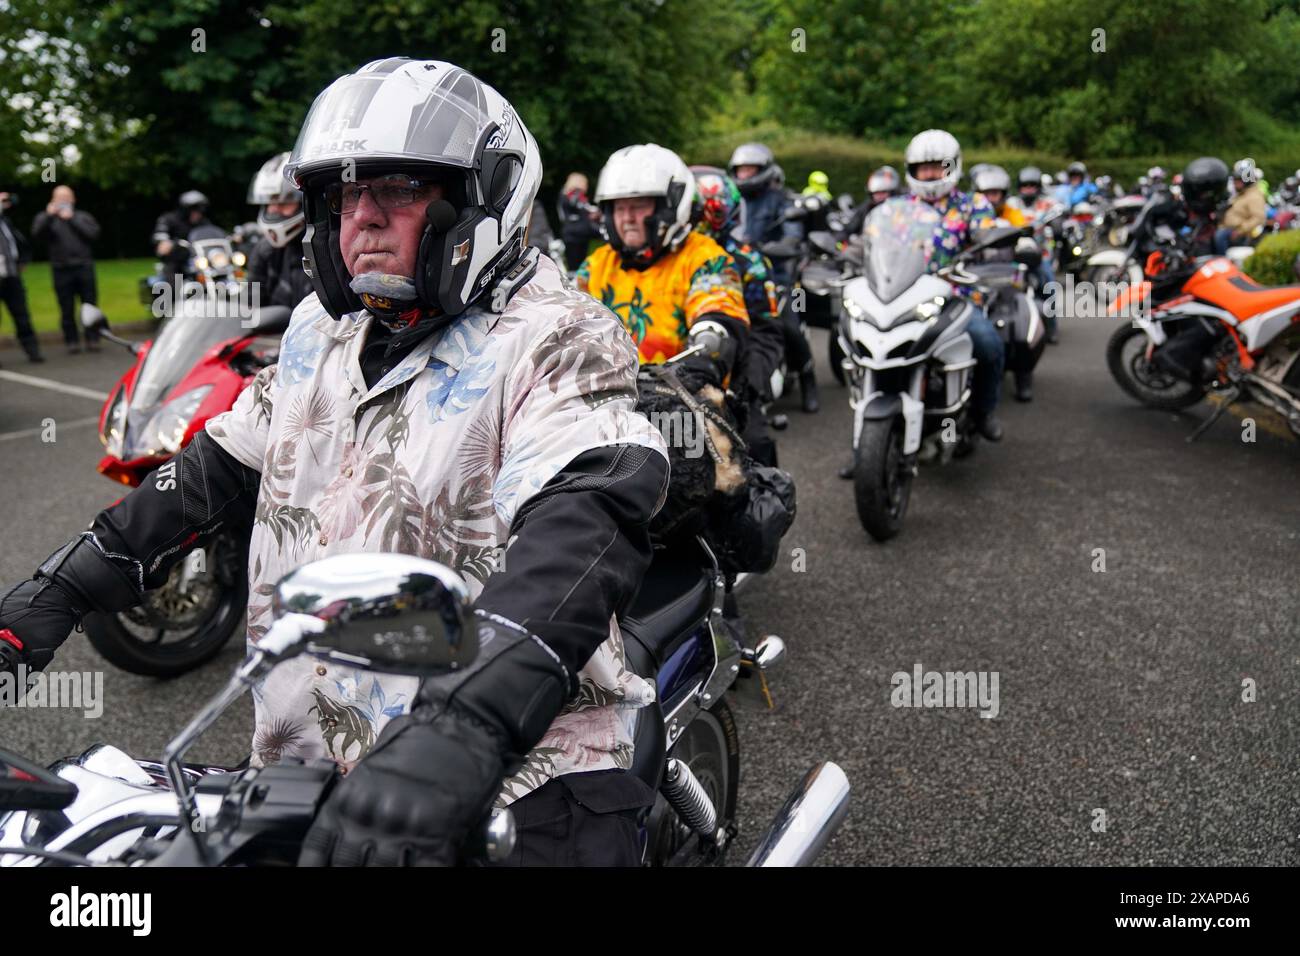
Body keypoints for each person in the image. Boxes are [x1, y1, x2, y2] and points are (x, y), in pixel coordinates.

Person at [0, 58, 671, 868]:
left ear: (485, 197)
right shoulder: (323, 329)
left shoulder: (562, 334)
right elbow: (216, 466)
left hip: (515, 762)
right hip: (307, 756)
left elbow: (585, 516)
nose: (362, 220)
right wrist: (57, 590)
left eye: (398, 190)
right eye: (344, 196)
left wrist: (469, 720)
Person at [576, 144, 749, 374]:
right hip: (601, 400)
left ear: (670, 206)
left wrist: (711, 339)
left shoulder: (705, 258)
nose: (627, 218)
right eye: (619, 207)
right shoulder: (596, 265)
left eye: (638, 206)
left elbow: (718, 305)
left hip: (684, 398)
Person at [902, 129, 1005, 441]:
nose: (931, 173)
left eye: (939, 165)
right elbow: (876, 241)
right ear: (913, 170)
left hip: (955, 297)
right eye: (924, 167)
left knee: (988, 344)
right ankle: (866, 438)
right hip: (903, 296)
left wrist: (998, 245)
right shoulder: (900, 208)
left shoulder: (973, 205)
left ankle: (982, 412)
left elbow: (989, 238)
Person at [691, 164, 784, 465]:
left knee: (755, 447)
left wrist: (744, 386)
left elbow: (766, 330)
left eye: (712, 211)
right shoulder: (663, 258)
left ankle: (809, 374)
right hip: (671, 378)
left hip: (733, 376)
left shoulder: (749, 259)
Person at [728, 142, 818, 412]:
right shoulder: (732, 198)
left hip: (776, 275)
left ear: (765, 170)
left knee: (787, 323)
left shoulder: (782, 199)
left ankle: (808, 377)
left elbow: (792, 236)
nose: (744, 174)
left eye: (750, 169)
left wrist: (774, 247)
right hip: (736, 273)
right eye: (740, 170)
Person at [30, 186, 101, 353]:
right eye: (59, 197)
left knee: (90, 305)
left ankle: (93, 338)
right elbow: (37, 234)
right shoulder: (46, 219)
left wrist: (72, 219)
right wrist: (49, 216)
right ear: (53, 199)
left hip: (84, 267)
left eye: (66, 197)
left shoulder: (82, 216)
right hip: (61, 269)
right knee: (66, 307)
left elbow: (93, 235)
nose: (63, 200)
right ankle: (72, 341)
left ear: (73, 199)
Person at [244, 153, 314, 311]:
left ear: (306, 201)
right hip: (275, 335)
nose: (274, 210)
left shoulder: (331, 248)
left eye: (283, 202)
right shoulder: (265, 251)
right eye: (270, 202)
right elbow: (250, 307)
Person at [1009, 165, 1061, 343]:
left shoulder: (1048, 204)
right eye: (1025, 185)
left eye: (1032, 185)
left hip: (1040, 255)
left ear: (1038, 187)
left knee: (1050, 286)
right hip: (1014, 255)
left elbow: (1058, 219)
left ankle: (1052, 327)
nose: (1028, 189)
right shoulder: (1011, 205)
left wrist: (1056, 225)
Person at [0, 190, 43, 363]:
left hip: (11, 276)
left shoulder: (5, 222)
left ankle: (32, 350)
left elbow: (19, 243)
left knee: (22, 315)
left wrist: (23, 260)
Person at [152, 190, 217, 284]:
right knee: (173, 279)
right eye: (194, 209)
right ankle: (173, 297)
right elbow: (160, 234)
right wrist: (165, 242)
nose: (198, 213)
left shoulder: (204, 222)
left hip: (200, 258)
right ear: (184, 209)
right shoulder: (169, 219)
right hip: (178, 259)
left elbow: (213, 234)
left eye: (200, 209)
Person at [1214, 159, 1268, 254]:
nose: (1234, 184)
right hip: (1228, 229)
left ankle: (1222, 262)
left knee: (1219, 236)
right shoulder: (1241, 195)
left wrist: (1240, 231)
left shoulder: (1254, 196)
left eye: (1237, 181)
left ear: (1246, 181)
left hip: (1240, 233)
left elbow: (1258, 218)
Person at [555, 172, 601, 273]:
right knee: (575, 266)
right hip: (573, 235)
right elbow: (577, 205)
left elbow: (583, 210)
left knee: (580, 265)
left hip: (580, 235)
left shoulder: (573, 196)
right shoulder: (569, 195)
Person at [841, 165, 902, 237]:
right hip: (870, 246)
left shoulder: (904, 207)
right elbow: (849, 229)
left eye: (883, 192)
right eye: (876, 193)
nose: (879, 197)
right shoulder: (866, 207)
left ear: (893, 192)